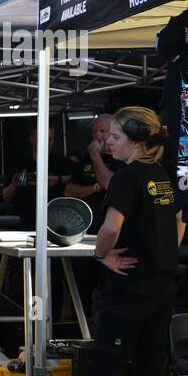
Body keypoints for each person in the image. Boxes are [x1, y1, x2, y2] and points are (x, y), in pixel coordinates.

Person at [87, 106, 184, 376]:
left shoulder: (126, 178)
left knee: (111, 374)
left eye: (113, 137)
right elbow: (180, 221)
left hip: (128, 292)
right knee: (149, 375)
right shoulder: (160, 176)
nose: (106, 141)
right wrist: (162, 255)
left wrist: (100, 254)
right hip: (160, 291)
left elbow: (111, 228)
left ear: (136, 141)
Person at [64, 114, 126, 323]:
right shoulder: (85, 161)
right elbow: (69, 191)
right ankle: (79, 334)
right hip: (84, 238)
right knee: (79, 293)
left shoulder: (121, 160)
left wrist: (96, 157)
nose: (98, 137)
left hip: (112, 242)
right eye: (94, 132)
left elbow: (110, 184)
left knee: (111, 295)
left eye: (103, 131)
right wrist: (93, 187)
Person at [3, 122, 77, 230]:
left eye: (50, 139)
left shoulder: (64, 164)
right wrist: (14, 185)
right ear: (32, 139)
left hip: (58, 226)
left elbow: (78, 182)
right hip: (27, 226)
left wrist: (59, 179)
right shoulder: (21, 165)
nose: (47, 142)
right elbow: (6, 197)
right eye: (43, 138)